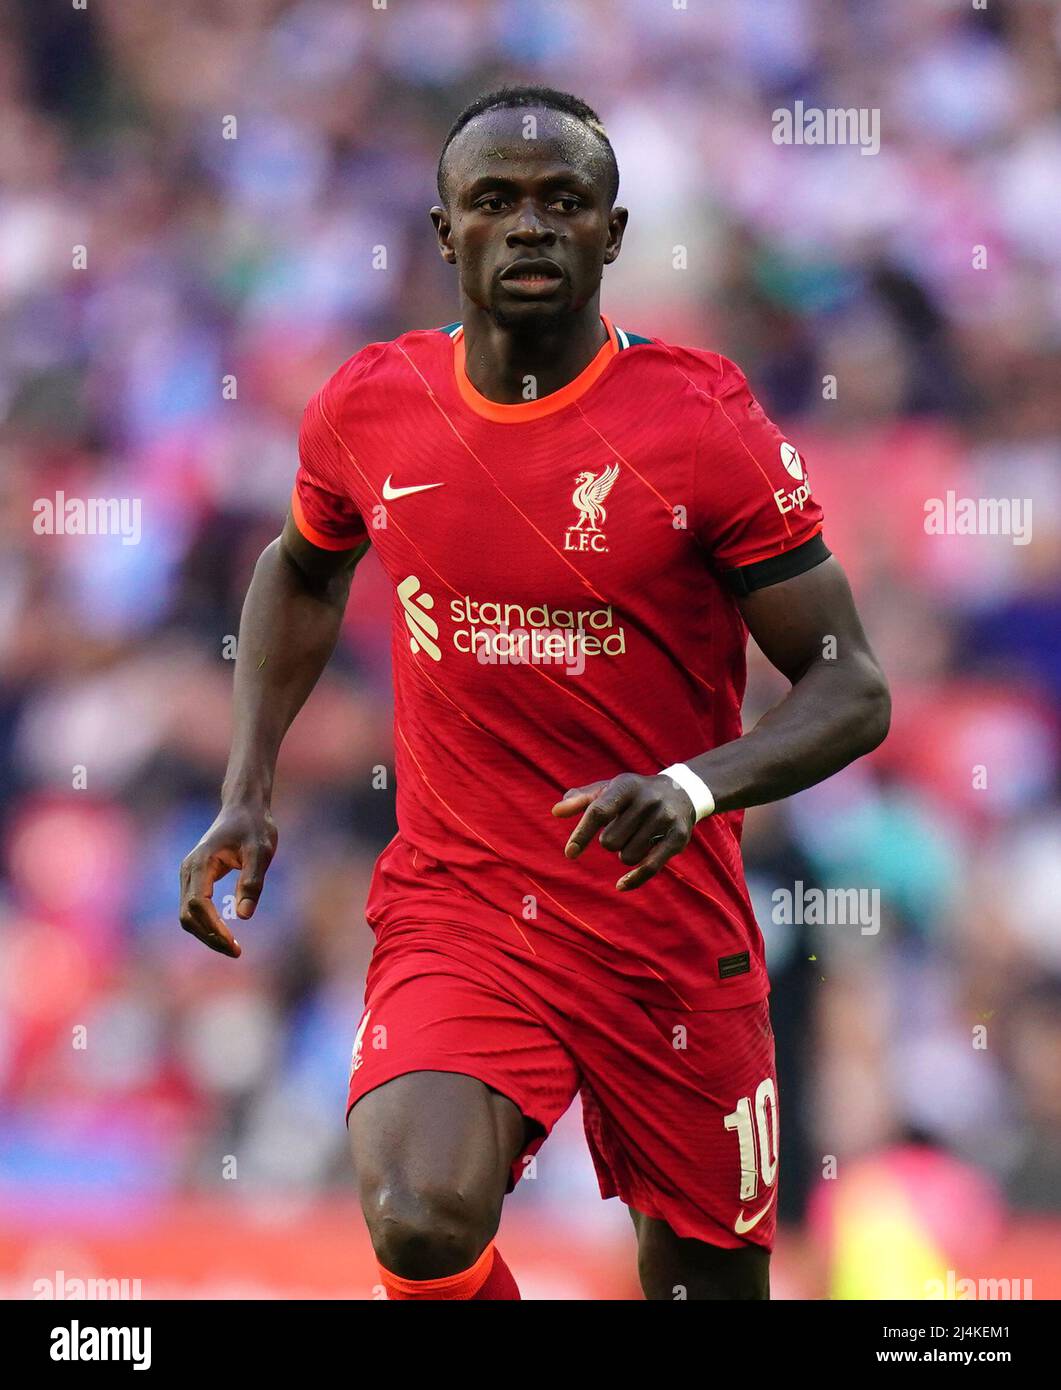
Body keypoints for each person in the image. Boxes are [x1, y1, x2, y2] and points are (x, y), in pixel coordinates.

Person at [178, 85, 890, 1301]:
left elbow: (850, 685)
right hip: (464, 905)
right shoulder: (370, 407)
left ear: (610, 235)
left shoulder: (697, 425)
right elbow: (298, 569)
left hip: (665, 934)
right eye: (493, 202)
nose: (527, 227)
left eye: (563, 202)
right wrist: (246, 788)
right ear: (444, 231)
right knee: (416, 1215)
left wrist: (690, 785)